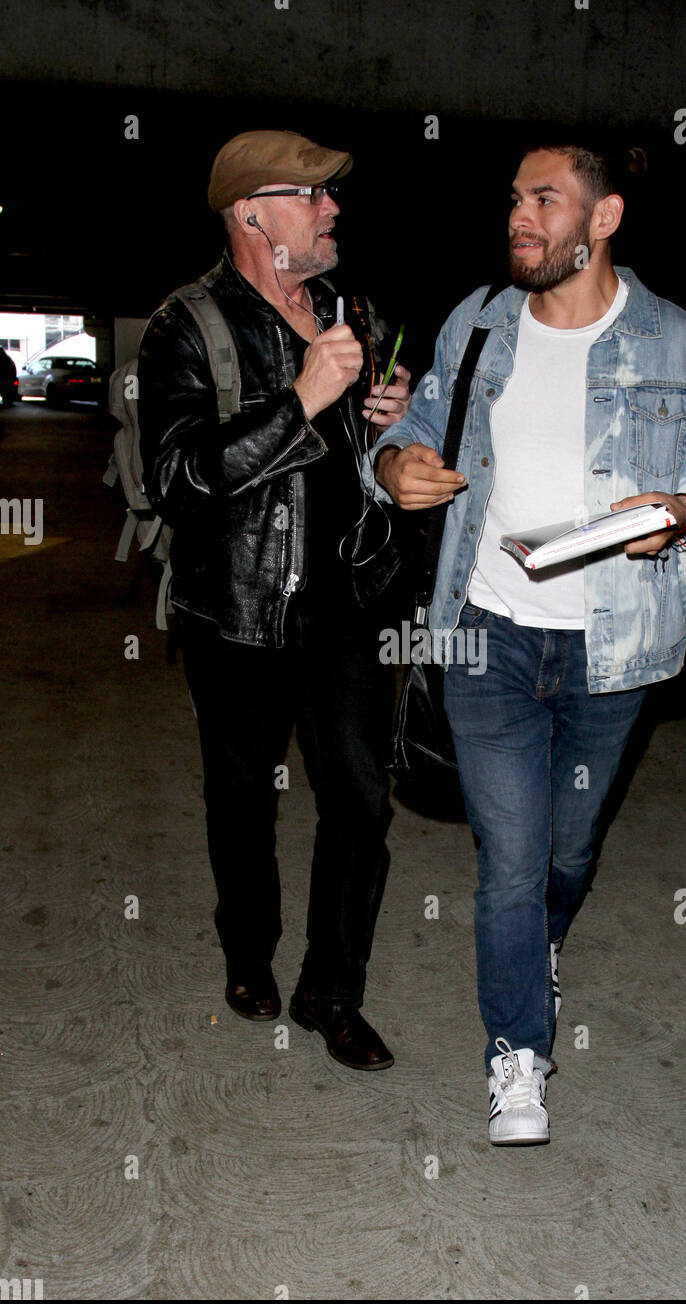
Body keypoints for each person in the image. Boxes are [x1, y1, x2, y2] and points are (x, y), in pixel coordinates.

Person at [372, 139, 686, 1140]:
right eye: (512, 198)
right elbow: (407, 430)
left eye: (543, 200)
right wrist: (394, 470)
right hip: (487, 633)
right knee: (505, 858)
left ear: (602, 220)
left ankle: (539, 939)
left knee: (564, 849)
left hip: (615, 649)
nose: (519, 217)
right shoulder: (474, 324)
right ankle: (518, 1051)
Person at [138, 129, 411, 1070]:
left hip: (345, 607)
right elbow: (180, 480)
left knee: (362, 801)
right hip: (238, 614)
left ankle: (331, 991)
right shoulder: (186, 325)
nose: (334, 211)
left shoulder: (351, 307)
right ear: (253, 212)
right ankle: (247, 951)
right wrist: (301, 396)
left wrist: (387, 412)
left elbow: (363, 448)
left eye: (335, 197)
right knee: (244, 798)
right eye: (314, 195)